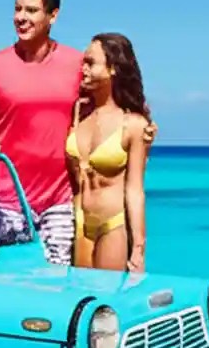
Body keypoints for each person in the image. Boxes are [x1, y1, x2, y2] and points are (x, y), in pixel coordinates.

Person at [0, 0, 155, 265]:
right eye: (17, 9)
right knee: (9, 282)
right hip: (6, 199)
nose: (21, 18)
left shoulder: (78, 65)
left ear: (53, 15)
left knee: (60, 286)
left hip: (61, 200)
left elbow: (110, 100)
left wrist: (143, 125)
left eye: (31, 11)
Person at [65, 33, 154, 272]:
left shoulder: (133, 125)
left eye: (90, 63)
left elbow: (135, 190)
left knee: (109, 301)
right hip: (80, 221)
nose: (82, 68)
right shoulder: (78, 114)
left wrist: (139, 247)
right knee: (82, 300)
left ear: (113, 68)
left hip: (113, 223)